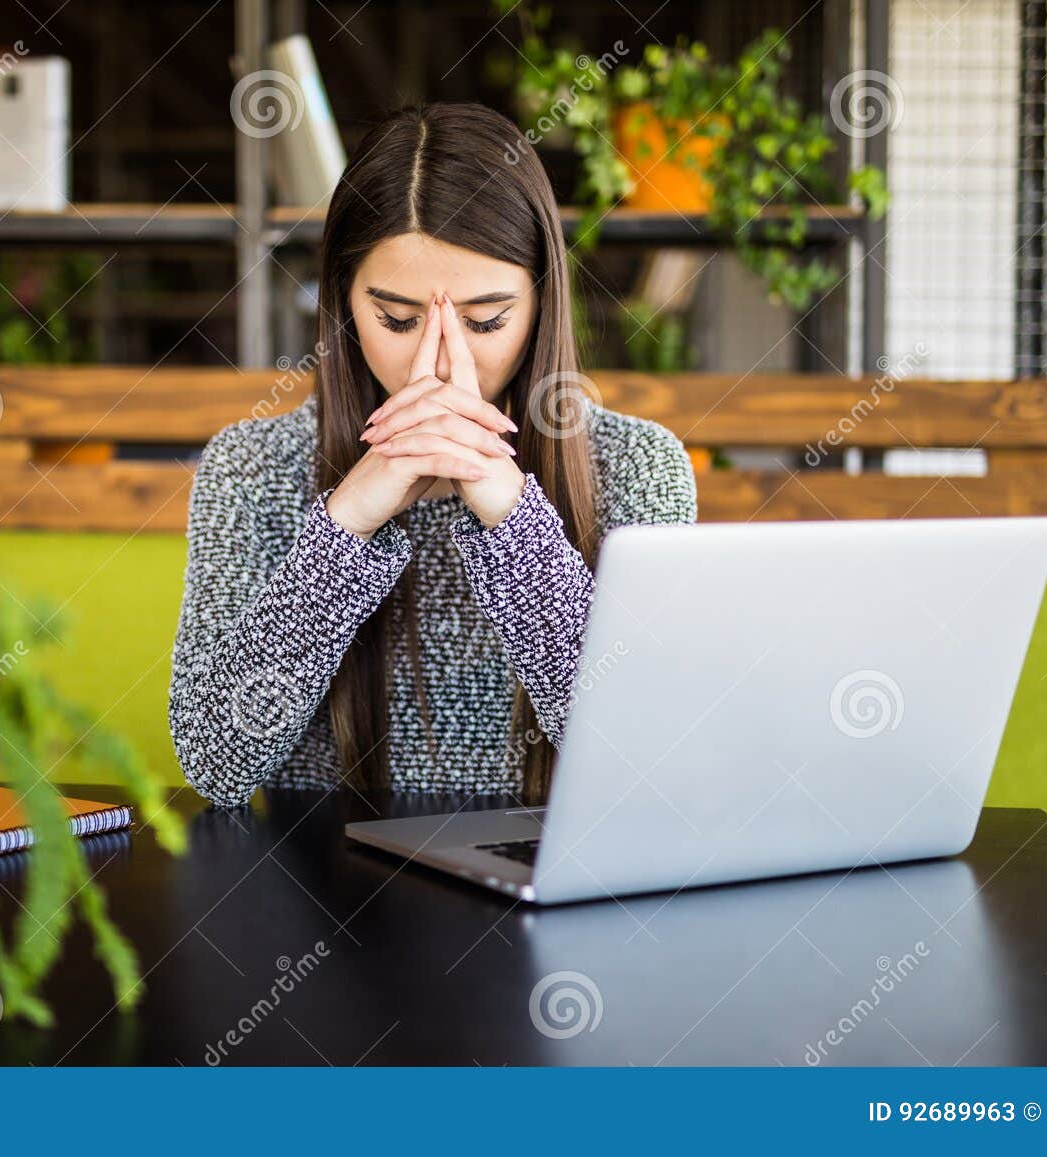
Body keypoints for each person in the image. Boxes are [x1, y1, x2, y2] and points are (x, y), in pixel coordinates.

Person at [170, 101, 696, 808]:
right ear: (342, 304)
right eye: (396, 318)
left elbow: (650, 756)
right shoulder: (253, 466)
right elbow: (215, 761)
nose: (438, 361)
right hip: (334, 899)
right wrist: (347, 520)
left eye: (484, 320)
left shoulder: (637, 466)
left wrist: (510, 513)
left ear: (542, 303)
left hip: (548, 892)